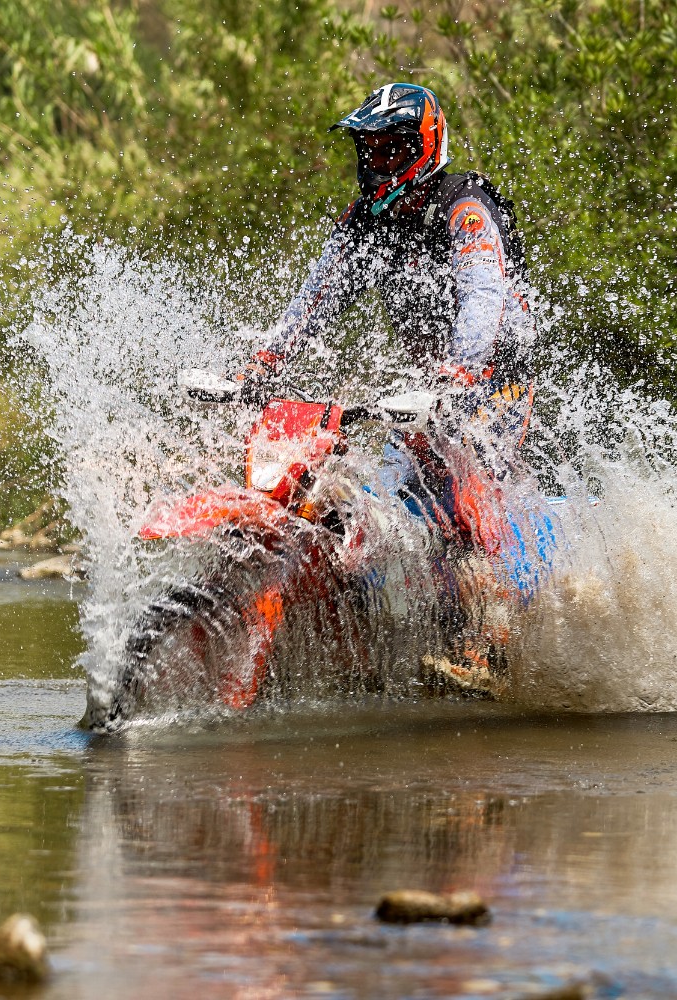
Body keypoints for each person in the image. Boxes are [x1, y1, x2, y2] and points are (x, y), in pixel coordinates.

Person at [226, 82, 537, 687]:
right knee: (351, 484)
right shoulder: (366, 221)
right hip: (432, 380)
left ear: (423, 146)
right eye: (367, 152)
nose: (375, 164)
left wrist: (463, 369)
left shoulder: (462, 204)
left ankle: (486, 638)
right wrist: (262, 361)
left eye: (389, 151)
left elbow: (483, 295)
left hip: (494, 379)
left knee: (453, 466)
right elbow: (315, 298)